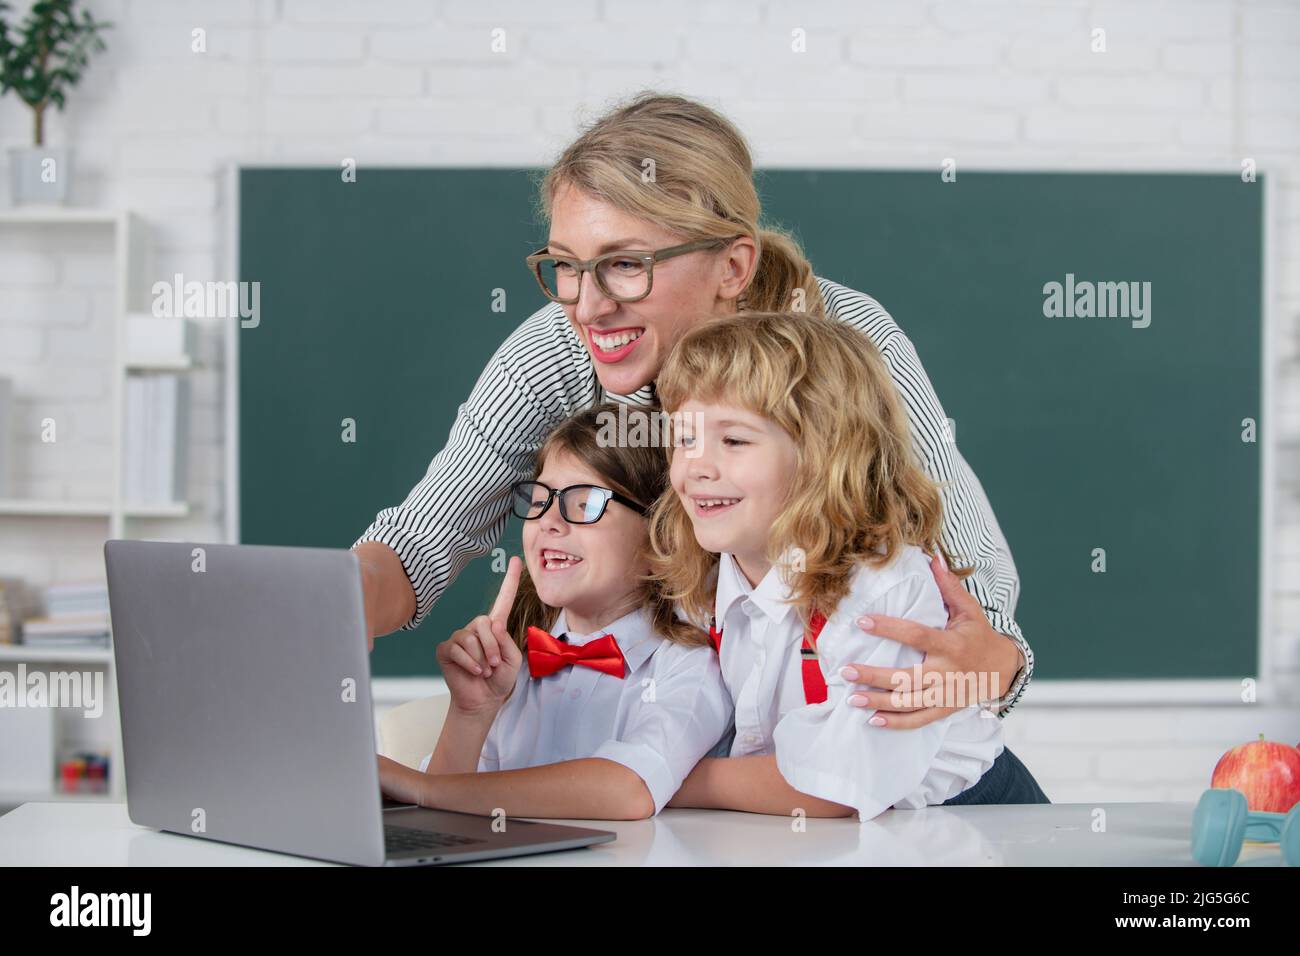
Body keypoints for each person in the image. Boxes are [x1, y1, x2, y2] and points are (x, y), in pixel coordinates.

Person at [353, 91, 1033, 728]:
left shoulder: (846, 344)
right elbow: (418, 544)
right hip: (655, 750)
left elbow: (977, 599)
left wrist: (992, 665)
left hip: (818, 762)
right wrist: (333, 607)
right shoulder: (555, 352)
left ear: (734, 267)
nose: (587, 306)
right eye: (565, 264)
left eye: (625, 265)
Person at [647, 311, 1049, 819]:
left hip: (973, 822)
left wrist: (659, 780)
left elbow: (831, 787)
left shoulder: (885, 588)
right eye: (684, 438)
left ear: (824, 453)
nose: (697, 466)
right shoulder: (702, 581)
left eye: (734, 440)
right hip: (814, 830)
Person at [376, 404, 732, 819]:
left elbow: (630, 787)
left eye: (584, 503)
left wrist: (420, 787)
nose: (548, 521)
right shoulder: (511, 666)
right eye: (540, 499)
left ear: (661, 542)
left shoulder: (690, 666)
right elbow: (439, 820)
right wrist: (469, 714)